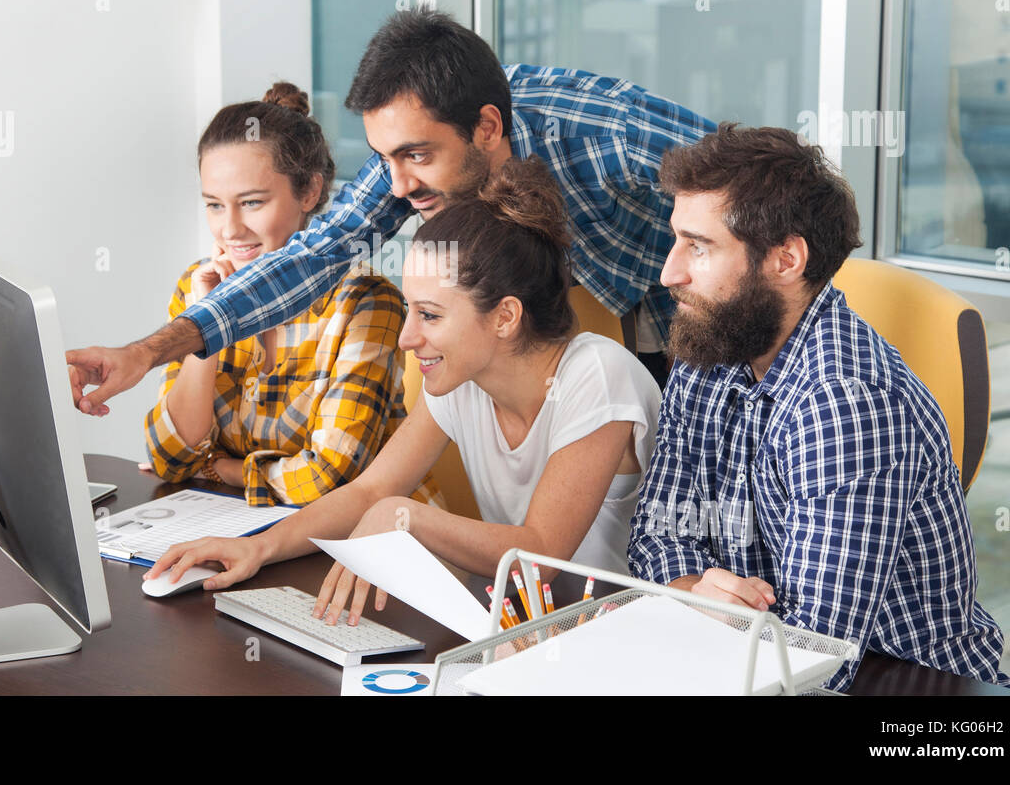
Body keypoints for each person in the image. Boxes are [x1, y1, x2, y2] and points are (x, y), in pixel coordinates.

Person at [66, 6, 715, 415]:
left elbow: (765, 190)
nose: (398, 186)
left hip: (690, 302)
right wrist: (147, 353)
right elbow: (317, 256)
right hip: (576, 322)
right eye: (384, 157)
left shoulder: (609, 132)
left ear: (487, 127)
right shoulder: (409, 161)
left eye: (414, 156)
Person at [144, 159, 662, 620]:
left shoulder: (597, 373)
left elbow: (540, 554)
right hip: (527, 630)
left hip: (621, 642)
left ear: (505, 316)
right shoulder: (463, 379)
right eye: (411, 308)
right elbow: (372, 490)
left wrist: (409, 517)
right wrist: (260, 548)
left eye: (430, 315)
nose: (408, 337)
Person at [626, 122, 1010, 692]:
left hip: (910, 693)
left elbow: (812, 658)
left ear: (786, 260)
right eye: (676, 239)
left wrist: (705, 609)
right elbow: (654, 536)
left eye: (699, 247)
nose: (669, 272)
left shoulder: (845, 405)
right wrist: (690, 591)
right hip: (744, 663)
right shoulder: (711, 346)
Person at [144, 82, 438, 507]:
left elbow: (326, 478)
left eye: (251, 203)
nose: (229, 229)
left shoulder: (366, 302)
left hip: (366, 541)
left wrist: (218, 468)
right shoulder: (198, 287)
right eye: (214, 205)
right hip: (249, 529)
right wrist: (205, 318)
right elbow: (169, 457)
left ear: (310, 192)